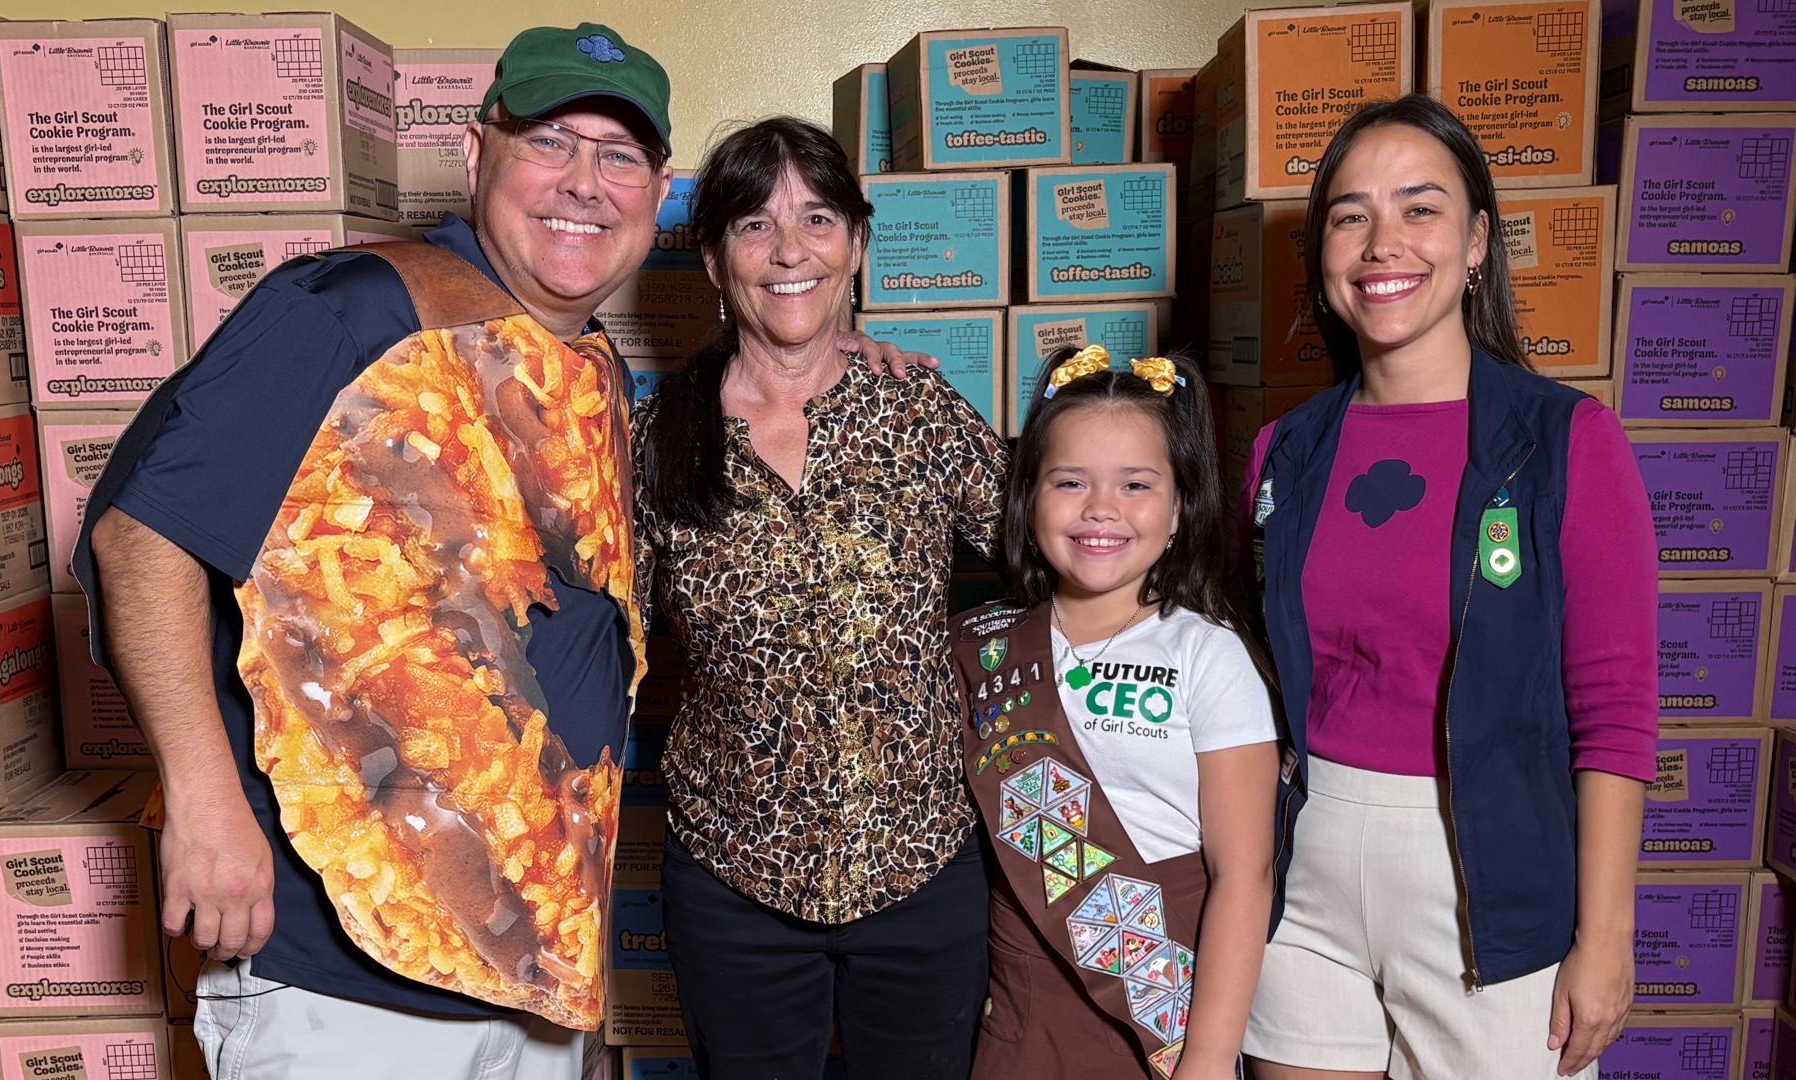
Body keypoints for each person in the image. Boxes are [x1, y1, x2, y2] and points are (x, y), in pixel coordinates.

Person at [77, 27, 926, 1080]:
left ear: (657, 193)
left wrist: (826, 359)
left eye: (618, 156)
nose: (584, 182)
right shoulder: (348, 308)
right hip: (347, 958)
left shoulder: (595, 370)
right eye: (550, 141)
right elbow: (142, 531)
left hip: (529, 957)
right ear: (479, 155)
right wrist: (202, 805)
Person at [1239, 95, 1657, 1080]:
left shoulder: (1564, 443)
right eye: (1351, 215)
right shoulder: (1282, 452)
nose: (1383, 242)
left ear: (1476, 241)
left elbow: (1614, 712)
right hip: (1305, 870)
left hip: (1488, 873)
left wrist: (1605, 936)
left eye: (1420, 209)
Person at [631, 116, 1009, 1080]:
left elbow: (1055, 555)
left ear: (855, 246)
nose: (790, 250)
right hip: (732, 874)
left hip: (921, 861)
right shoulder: (654, 437)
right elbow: (597, 631)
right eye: (755, 225)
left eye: (819, 219)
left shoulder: (917, 408)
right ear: (714, 262)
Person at [947, 346, 1278, 1080]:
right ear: (1028, 495)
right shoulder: (980, 647)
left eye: (1136, 484)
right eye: (1070, 482)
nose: (1102, 509)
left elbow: (1245, 875)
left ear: (1180, 504)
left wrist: (1210, 1059)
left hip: (1166, 1006)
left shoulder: (1209, 656)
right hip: (1024, 1007)